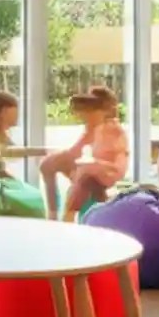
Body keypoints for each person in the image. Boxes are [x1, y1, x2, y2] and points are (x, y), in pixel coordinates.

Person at [61, 87, 130, 223]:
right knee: (82, 176)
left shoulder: (113, 129)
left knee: (84, 175)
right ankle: (75, 213)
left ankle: (69, 216)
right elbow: (74, 151)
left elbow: (118, 161)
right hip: (97, 171)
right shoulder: (93, 128)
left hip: (111, 169)